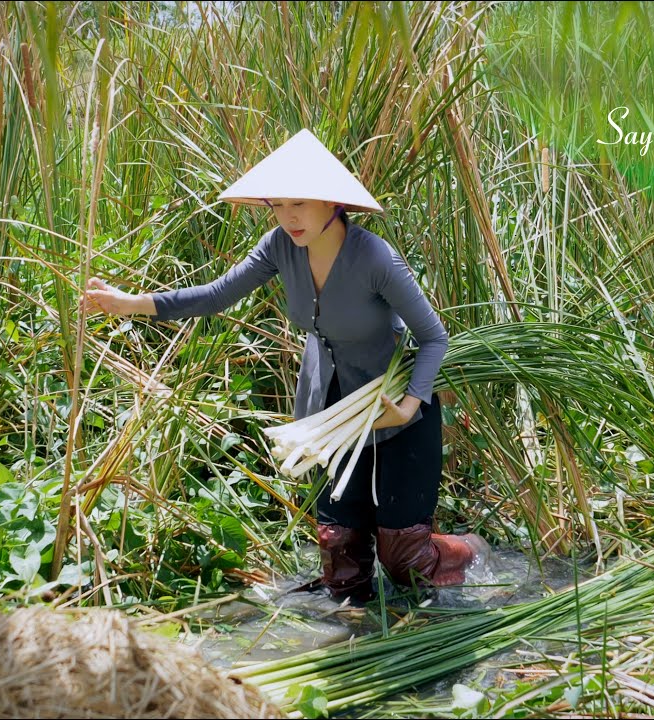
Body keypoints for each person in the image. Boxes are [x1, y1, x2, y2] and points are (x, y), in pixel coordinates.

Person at [80, 128, 488, 603]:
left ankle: (472, 552)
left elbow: (434, 336)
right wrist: (131, 304)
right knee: (342, 560)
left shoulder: (375, 258)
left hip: (394, 406)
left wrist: (410, 403)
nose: (288, 217)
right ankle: (354, 642)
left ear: (331, 202)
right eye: (277, 204)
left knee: (405, 561)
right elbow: (217, 295)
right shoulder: (279, 246)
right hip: (331, 412)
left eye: (299, 203)